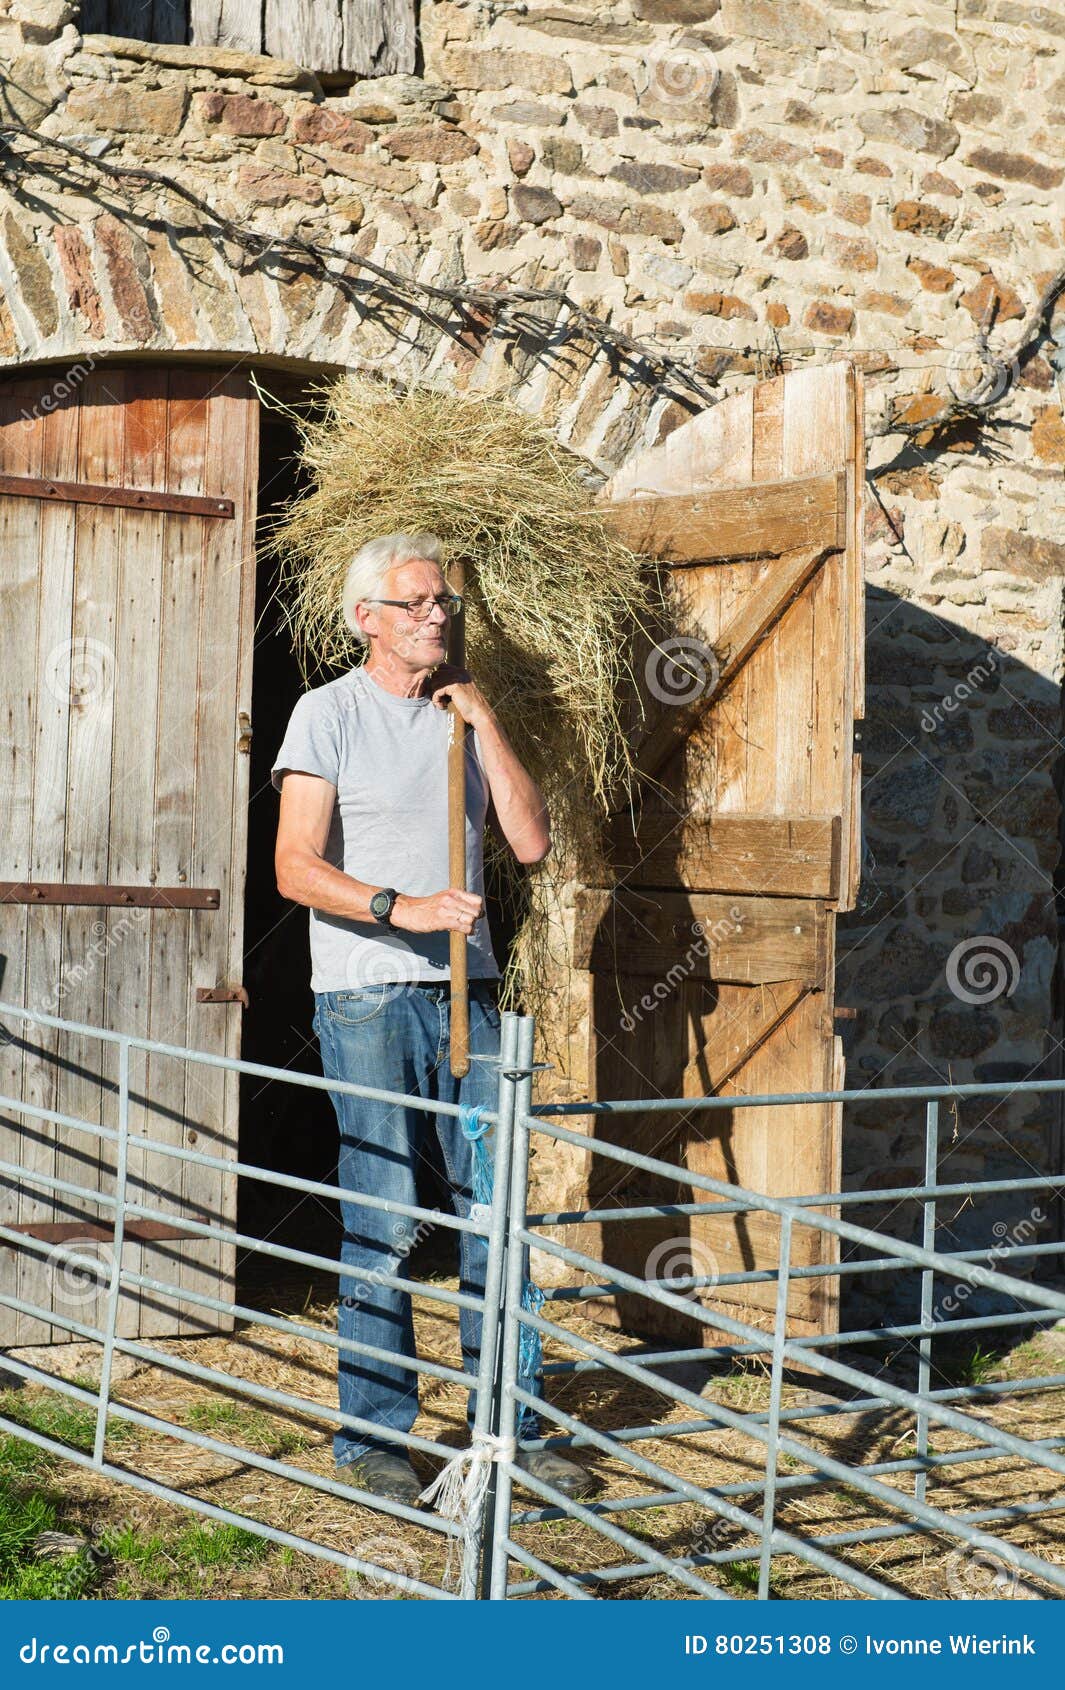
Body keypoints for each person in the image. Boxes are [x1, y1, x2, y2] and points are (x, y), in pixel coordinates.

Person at [271, 531, 593, 1507]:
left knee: (495, 1209)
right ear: (366, 618)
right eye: (414, 603)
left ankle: (513, 1429)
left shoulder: (462, 722)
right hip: (365, 996)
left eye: (442, 603)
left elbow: (530, 843)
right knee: (385, 1216)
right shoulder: (325, 715)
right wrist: (398, 907)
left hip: (468, 995)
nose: (436, 616)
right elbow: (294, 864)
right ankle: (372, 1435)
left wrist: (488, 722)